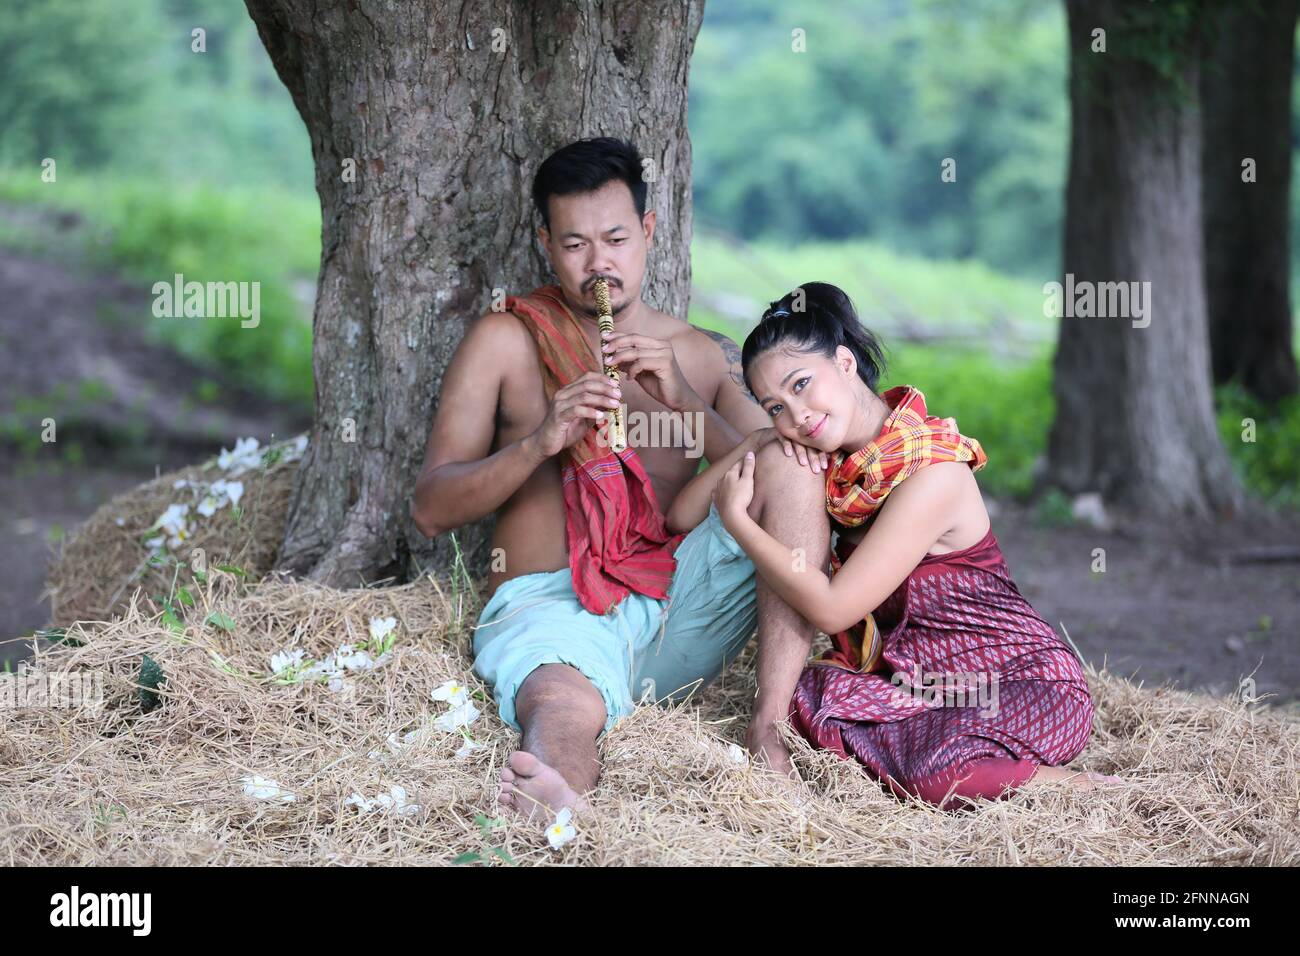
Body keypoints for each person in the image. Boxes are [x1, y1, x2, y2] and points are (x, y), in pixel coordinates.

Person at [410, 138, 828, 822]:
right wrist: (541, 440)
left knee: (793, 466)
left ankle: (769, 729)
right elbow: (430, 508)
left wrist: (684, 399)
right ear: (546, 243)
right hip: (552, 610)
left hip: (673, 611)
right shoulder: (506, 339)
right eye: (574, 244)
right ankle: (554, 802)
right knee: (562, 703)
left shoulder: (701, 352)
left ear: (649, 232)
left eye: (615, 238)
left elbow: (774, 456)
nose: (598, 263)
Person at [675, 281, 1122, 810]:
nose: (795, 415)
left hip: (1021, 683)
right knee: (804, 701)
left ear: (844, 363)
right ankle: (943, 755)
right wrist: (756, 440)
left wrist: (742, 525)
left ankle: (1060, 784)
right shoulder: (836, 467)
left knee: (932, 777)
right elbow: (680, 514)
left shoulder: (933, 470)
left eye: (801, 384)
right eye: (774, 405)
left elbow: (832, 605)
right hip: (922, 683)